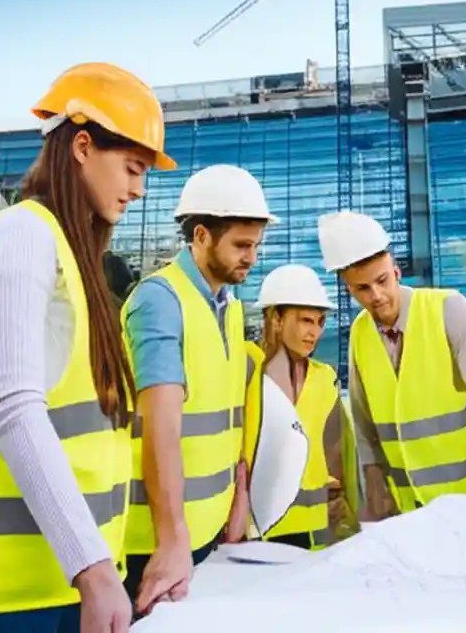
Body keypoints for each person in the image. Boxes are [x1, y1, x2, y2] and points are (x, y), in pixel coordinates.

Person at [0, 62, 172, 633]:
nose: (138, 189)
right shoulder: (20, 236)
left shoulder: (73, 261)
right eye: (131, 168)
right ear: (82, 146)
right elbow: (14, 413)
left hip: (54, 590)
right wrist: (96, 572)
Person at [120, 164, 276, 617]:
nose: (252, 257)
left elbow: (228, 416)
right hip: (154, 543)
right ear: (202, 236)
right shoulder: (159, 301)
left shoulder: (229, 306)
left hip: (205, 534)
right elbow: (160, 428)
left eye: (256, 245)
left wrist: (237, 497)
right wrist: (171, 540)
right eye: (242, 246)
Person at [316, 211, 466, 521]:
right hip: (414, 509)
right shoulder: (360, 334)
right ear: (348, 288)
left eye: (382, 280)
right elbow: (364, 421)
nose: (376, 296)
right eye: (362, 288)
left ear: (396, 271)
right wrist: (374, 481)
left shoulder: (449, 310)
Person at [241, 263, 361, 549]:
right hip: (257, 532)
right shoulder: (244, 367)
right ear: (276, 318)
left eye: (320, 322)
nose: (315, 332)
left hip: (315, 533)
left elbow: (337, 455)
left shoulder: (324, 378)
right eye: (306, 320)